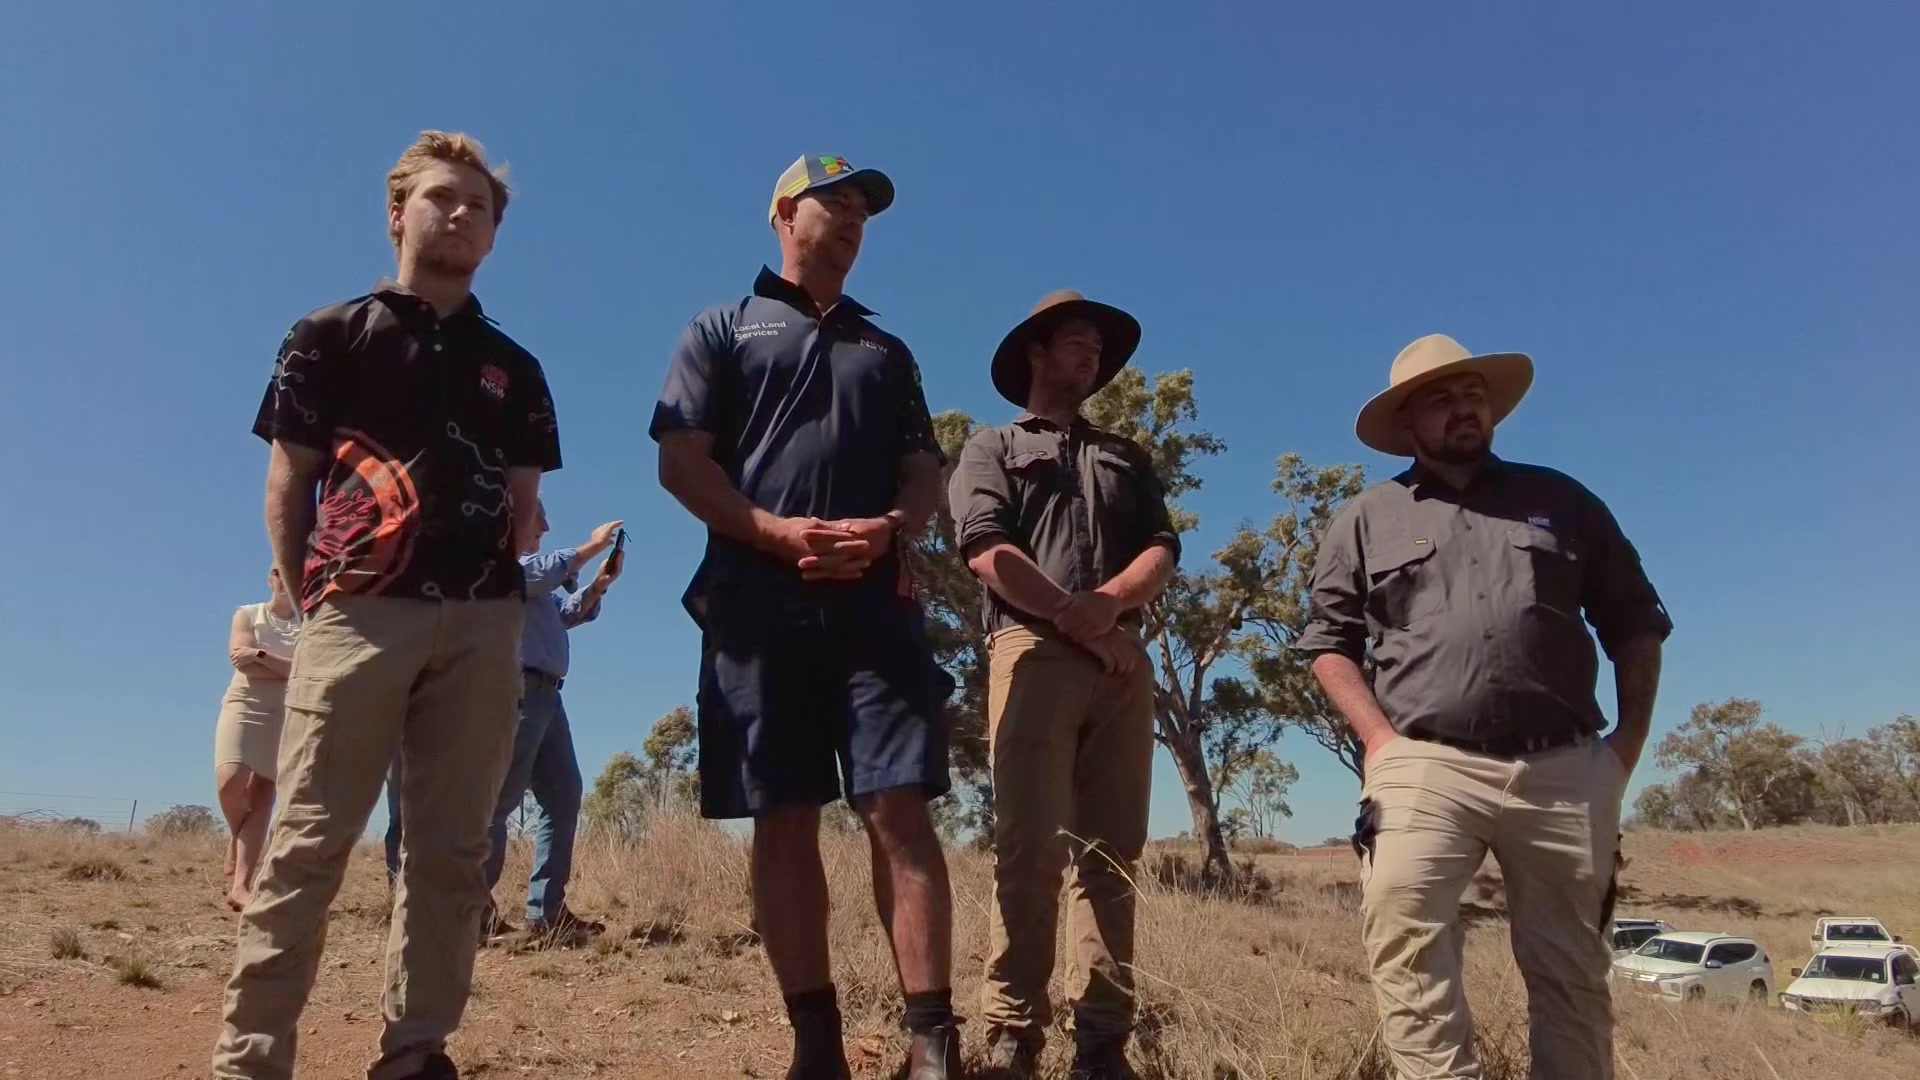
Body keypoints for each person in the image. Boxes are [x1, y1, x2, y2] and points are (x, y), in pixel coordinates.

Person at [214, 131, 562, 1080]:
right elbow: (289, 481)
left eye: (479, 207)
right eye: (442, 198)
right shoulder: (327, 336)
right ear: (398, 211)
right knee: (309, 841)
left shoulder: (517, 368)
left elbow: (524, 511)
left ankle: (415, 1053)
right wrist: (308, 597)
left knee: (453, 850)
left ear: (493, 234)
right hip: (357, 615)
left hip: (485, 624)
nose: (460, 215)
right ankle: (251, 1060)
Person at [650, 154, 958, 1080]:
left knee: (896, 806)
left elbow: (924, 470)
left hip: (877, 603)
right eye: (841, 202)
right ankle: (815, 1041)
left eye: (867, 208)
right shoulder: (721, 327)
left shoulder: (888, 351)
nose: (858, 218)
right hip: (756, 607)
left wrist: (895, 528)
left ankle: (932, 1042)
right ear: (787, 213)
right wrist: (775, 532)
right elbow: (682, 462)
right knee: (783, 815)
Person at [1297, 334, 1671, 1080]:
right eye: (1441, 397)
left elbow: (1635, 622)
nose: (1464, 407)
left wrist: (1623, 749)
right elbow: (1327, 643)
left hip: (1565, 767)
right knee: (1403, 938)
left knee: (1571, 971)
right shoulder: (1367, 518)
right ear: (1408, 423)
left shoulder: (1561, 500)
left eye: (1473, 393)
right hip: (1424, 763)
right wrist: (1379, 742)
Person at [947, 291, 1178, 1080]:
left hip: (1120, 662)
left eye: (1097, 349)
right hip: (1032, 653)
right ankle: (1013, 1032)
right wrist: (1074, 617)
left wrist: (1110, 607)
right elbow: (985, 548)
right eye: (1077, 343)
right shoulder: (991, 446)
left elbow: (1161, 547)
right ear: (1036, 355)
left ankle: (1104, 1040)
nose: (1093, 358)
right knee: (1031, 848)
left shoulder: (1125, 455)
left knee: (1112, 856)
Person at [381, 506, 625, 947]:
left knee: (563, 795)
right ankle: (468, 912)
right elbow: (540, 574)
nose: (547, 528)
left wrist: (599, 586)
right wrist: (591, 546)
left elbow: (567, 611)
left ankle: (547, 913)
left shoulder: (537, 581)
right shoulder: (502, 566)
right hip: (517, 692)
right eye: (540, 518)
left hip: (548, 695)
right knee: (498, 801)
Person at [213, 567, 301, 912]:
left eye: (290, 574)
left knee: (264, 794)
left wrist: (261, 655)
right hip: (243, 703)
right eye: (278, 573)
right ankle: (237, 837)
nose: (284, 580)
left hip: (287, 709)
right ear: (270, 580)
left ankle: (241, 886)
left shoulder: (310, 624)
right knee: (229, 780)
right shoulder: (248, 614)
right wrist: (280, 664)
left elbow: (304, 670)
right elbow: (240, 661)